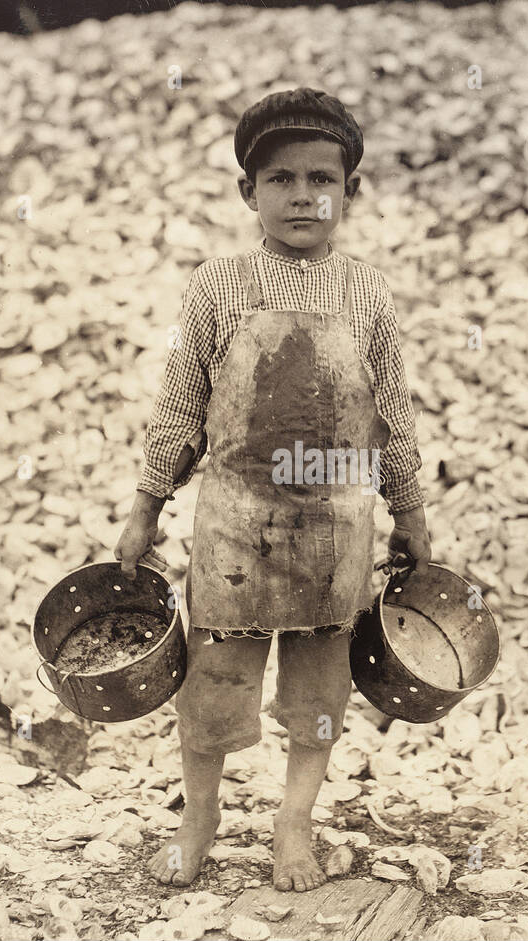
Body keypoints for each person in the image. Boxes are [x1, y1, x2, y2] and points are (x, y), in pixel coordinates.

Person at [116, 87, 430, 892]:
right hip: (234, 529)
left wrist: (413, 516)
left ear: (350, 192)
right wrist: (145, 508)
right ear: (247, 192)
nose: (302, 195)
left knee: (320, 691)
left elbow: (392, 412)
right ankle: (201, 817)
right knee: (213, 684)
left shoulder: (367, 294)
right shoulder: (219, 285)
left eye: (322, 179)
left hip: (335, 534)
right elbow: (181, 403)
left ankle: (294, 825)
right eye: (281, 179)